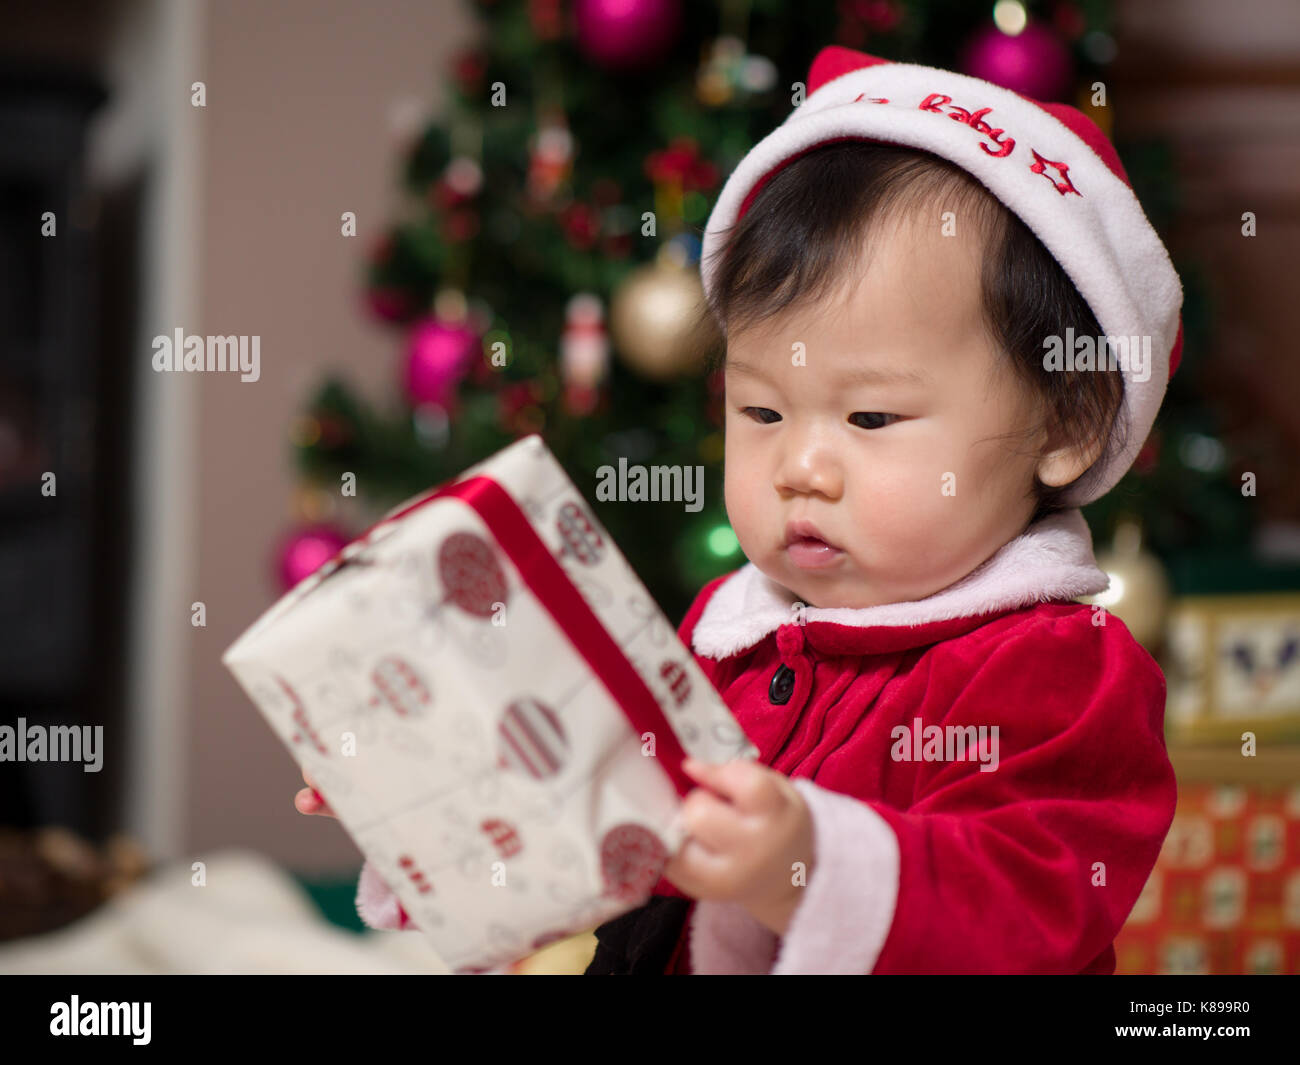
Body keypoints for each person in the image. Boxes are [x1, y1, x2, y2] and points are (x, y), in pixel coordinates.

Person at [304, 44, 1183, 974]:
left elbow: (1032, 899)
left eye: (870, 416)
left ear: (1067, 421)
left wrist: (810, 864)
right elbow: (604, 835)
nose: (800, 466)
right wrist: (435, 799)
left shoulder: (1056, 670)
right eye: (761, 410)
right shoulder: (730, 635)